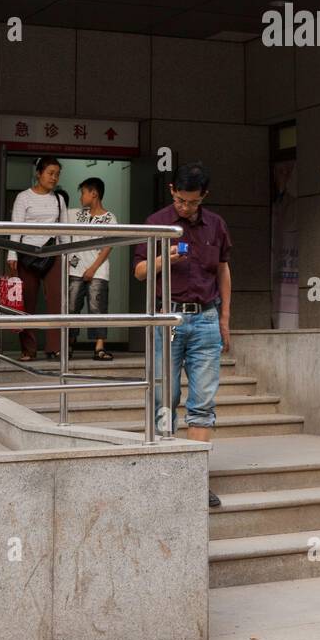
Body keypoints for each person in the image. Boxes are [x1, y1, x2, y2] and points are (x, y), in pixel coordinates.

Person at [133, 161, 231, 510]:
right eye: (180, 200)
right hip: (167, 319)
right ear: (172, 189)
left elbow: (222, 270)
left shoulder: (215, 225)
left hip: (205, 318)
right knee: (164, 396)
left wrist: (225, 318)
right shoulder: (157, 223)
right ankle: (163, 475)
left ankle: (197, 479)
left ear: (204, 196)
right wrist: (165, 259)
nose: (185, 207)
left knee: (203, 402)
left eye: (191, 202)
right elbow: (140, 272)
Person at [7, 156, 68, 361]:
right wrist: (12, 252)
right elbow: (15, 227)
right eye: (50, 173)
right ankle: (28, 350)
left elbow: (65, 230)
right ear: (39, 173)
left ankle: (55, 347)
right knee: (27, 302)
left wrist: (66, 254)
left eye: (57, 174)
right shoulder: (23, 197)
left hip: (52, 253)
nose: (54, 178)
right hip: (27, 253)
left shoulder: (58, 199)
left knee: (56, 301)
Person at [68, 177, 117, 362]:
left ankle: (99, 347)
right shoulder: (74, 214)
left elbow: (108, 245)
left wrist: (93, 268)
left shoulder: (109, 218)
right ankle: (69, 344)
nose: (81, 197)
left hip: (99, 270)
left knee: (98, 308)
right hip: (75, 269)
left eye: (83, 193)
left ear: (94, 193)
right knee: (72, 308)